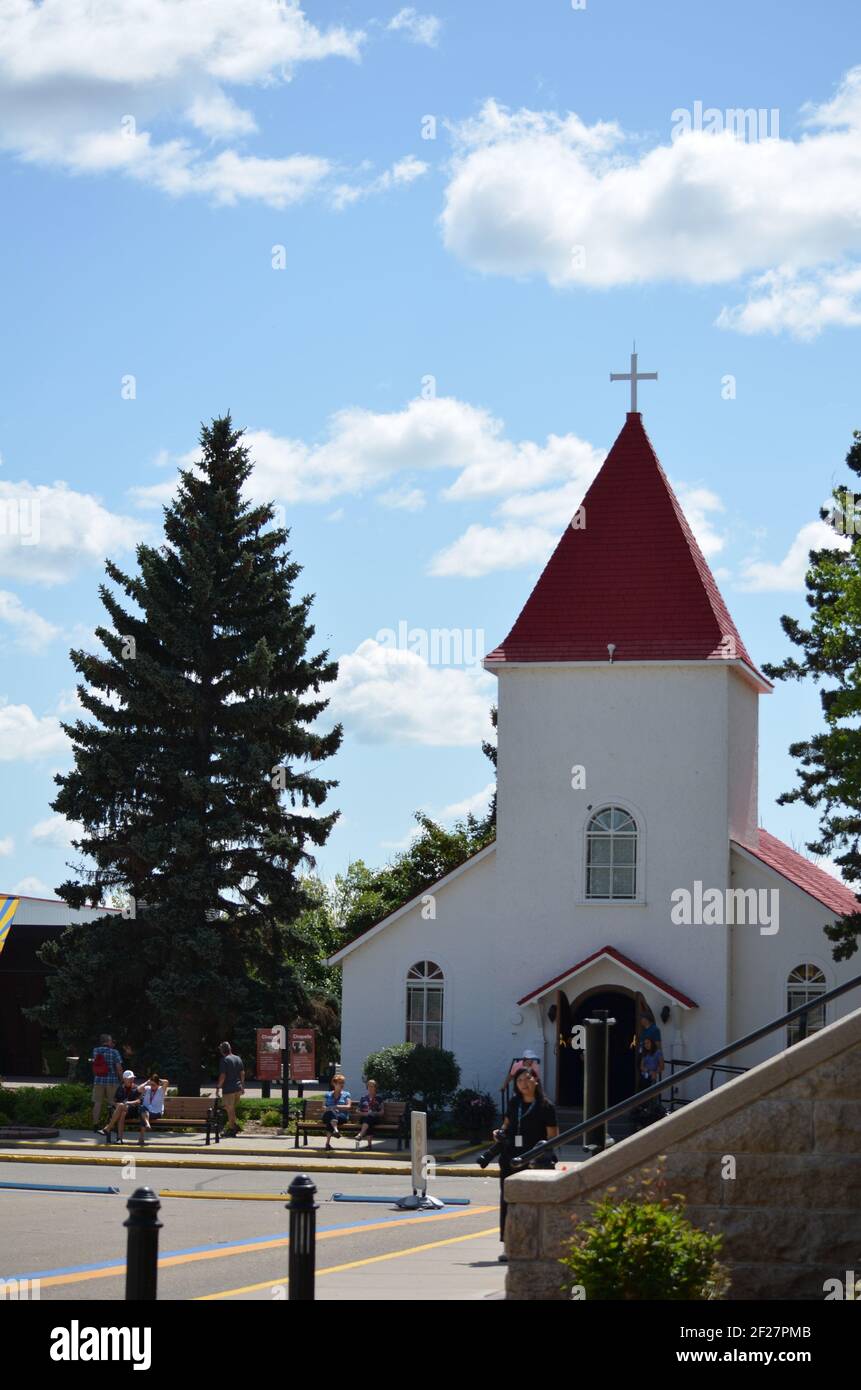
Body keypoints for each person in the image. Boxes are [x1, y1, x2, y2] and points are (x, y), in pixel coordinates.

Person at [493, 1066, 558, 1261]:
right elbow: (505, 1125)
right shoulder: (514, 1103)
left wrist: (543, 1154)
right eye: (519, 1080)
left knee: (534, 1202)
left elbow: (552, 1136)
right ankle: (508, 1245)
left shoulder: (546, 1106)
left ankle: (537, 1245)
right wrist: (498, 1133)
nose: (524, 1083)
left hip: (534, 1161)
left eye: (527, 1079)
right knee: (507, 1201)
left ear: (535, 1081)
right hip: (510, 1159)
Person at [90, 1033, 124, 1130]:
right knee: (113, 1103)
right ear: (108, 1041)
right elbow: (119, 1068)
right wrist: (121, 1080)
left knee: (97, 1103)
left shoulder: (95, 1051)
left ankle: (95, 1125)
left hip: (98, 1080)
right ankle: (111, 1125)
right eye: (111, 1040)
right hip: (112, 1081)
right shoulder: (114, 1052)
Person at [99, 1070, 141, 1143]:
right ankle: (119, 1139)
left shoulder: (136, 1088)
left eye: (132, 1078)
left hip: (132, 1111)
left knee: (122, 1107)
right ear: (124, 1079)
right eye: (129, 1078)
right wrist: (116, 1104)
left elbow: (138, 1101)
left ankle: (108, 1127)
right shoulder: (120, 1088)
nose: (131, 1080)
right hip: (122, 1111)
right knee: (122, 1112)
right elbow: (113, 1101)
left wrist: (128, 1103)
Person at [217, 1042, 245, 1137]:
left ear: (222, 1050)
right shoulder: (238, 1058)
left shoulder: (224, 1060)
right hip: (237, 1088)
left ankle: (232, 1129)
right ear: (230, 1049)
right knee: (231, 1108)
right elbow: (242, 1073)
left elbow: (223, 1075)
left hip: (228, 1089)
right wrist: (242, 1086)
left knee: (229, 1109)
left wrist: (218, 1087)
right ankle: (233, 1126)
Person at [322, 1073, 352, 1150]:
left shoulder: (346, 1094)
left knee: (331, 1121)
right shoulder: (327, 1094)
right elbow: (323, 1107)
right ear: (334, 1083)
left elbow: (348, 1106)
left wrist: (336, 1106)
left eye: (343, 1083)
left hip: (341, 1116)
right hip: (328, 1114)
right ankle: (336, 1130)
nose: (342, 1085)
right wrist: (330, 1109)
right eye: (340, 1083)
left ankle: (327, 1143)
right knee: (331, 1114)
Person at [355, 1079, 383, 1149]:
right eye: (369, 1086)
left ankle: (361, 1134)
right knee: (368, 1119)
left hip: (375, 1118)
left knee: (370, 1117)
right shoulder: (363, 1098)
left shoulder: (379, 1098)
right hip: (364, 1117)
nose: (370, 1088)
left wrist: (373, 1113)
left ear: (375, 1087)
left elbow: (382, 1112)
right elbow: (357, 1110)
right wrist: (364, 1114)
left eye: (372, 1086)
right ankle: (369, 1145)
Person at [139, 1072, 166, 1138]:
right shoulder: (148, 1088)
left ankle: (141, 1138)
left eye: (153, 1085)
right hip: (146, 1111)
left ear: (158, 1084)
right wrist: (147, 1082)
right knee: (143, 1110)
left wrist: (158, 1079)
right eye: (151, 1084)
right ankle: (147, 1124)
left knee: (143, 1114)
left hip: (156, 1112)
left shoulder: (161, 1090)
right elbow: (139, 1089)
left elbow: (166, 1082)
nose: (152, 1086)